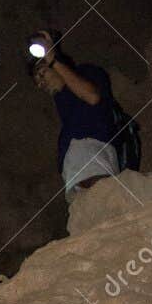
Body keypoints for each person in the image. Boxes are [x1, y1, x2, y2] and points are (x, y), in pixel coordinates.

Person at [33, 30, 121, 198]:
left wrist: (54, 60)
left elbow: (93, 96)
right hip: (75, 175)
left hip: (92, 155)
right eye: (37, 81)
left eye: (41, 73)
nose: (40, 83)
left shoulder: (87, 72)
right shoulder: (62, 100)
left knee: (101, 198)